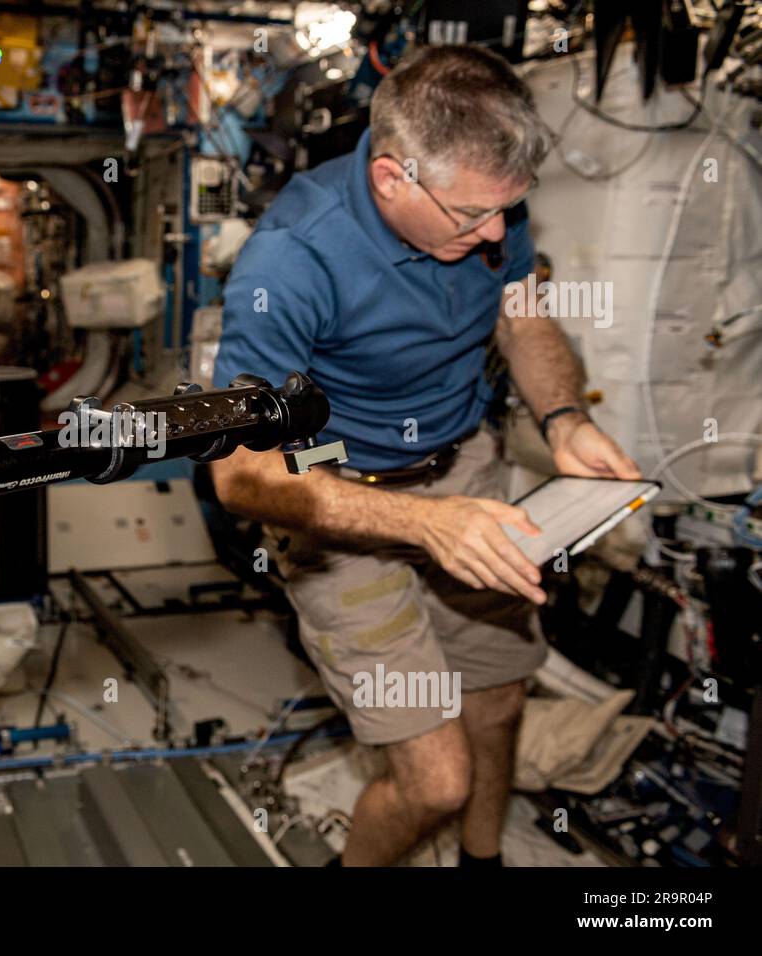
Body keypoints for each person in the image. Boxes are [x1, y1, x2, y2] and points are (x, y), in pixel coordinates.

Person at [210, 44, 640, 866]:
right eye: (471, 217)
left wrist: (562, 420)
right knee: (435, 780)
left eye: (507, 213)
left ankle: (483, 862)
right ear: (390, 179)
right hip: (337, 505)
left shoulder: (487, 209)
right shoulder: (292, 260)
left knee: (501, 701)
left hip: (464, 476)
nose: (493, 235)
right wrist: (425, 525)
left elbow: (521, 312)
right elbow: (240, 474)